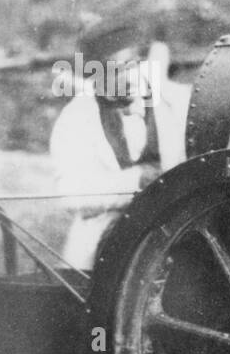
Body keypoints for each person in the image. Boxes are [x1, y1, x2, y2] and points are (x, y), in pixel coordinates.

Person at [50, 23, 190, 269]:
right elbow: (70, 195)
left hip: (178, 231)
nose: (127, 79)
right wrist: (135, 181)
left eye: (132, 66)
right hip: (107, 240)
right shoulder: (76, 118)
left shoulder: (180, 102)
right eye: (114, 72)